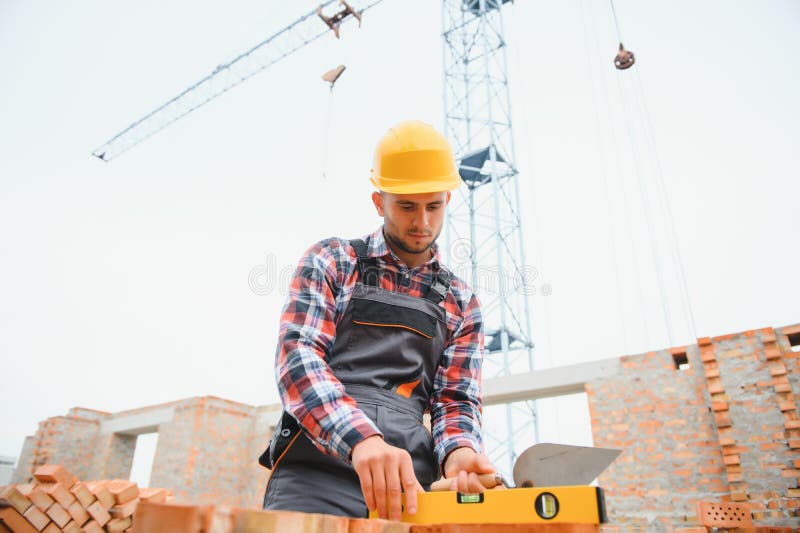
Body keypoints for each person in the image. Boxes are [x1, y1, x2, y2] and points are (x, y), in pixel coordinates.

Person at [259, 120, 494, 520]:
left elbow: (455, 401)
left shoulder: (460, 302)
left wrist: (460, 452)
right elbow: (298, 360)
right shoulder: (334, 261)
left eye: (433, 206)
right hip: (315, 479)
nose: (421, 222)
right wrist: (361, 439)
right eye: (406, 206)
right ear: (378, 201)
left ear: (447, 200)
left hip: (406, 489)